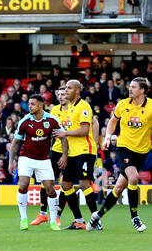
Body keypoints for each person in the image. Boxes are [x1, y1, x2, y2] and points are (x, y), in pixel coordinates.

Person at [89, 76, 151, 232]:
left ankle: (97, 216)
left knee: (118, 188)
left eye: (134, 87)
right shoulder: (122, 105)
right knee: (134, 177)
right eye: (130, 86)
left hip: (142, 151)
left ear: (142, 90)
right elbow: (113, 121)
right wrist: (108, 137)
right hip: (124, 147)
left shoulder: (151, 106)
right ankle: (135, 218)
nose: (130, 89)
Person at [49, 79, 101, 229]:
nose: (66, 91)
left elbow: (85, 130)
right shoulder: (70, 107)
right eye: (65, 88)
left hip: (85, 150)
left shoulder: (84, 106)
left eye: (69, 88)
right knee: (65, 185)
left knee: (85, 184)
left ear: (77, 91)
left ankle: (96, 220)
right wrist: (65, 154)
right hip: (72, 152)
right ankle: (79, 220)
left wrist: (65, 132)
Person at [8, 94, 63, 232]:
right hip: (26, 157)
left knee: (50, 189)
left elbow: (63, 138)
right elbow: (15, 143)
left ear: (40, 105)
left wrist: (65, 156)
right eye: (29, 104)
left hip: (44, 159)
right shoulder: (25, 121)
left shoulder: (52, 120)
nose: (29, 106)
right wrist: (11, 161)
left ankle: (53, 221)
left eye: (32, 104)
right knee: (24, 184)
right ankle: (23, 219)